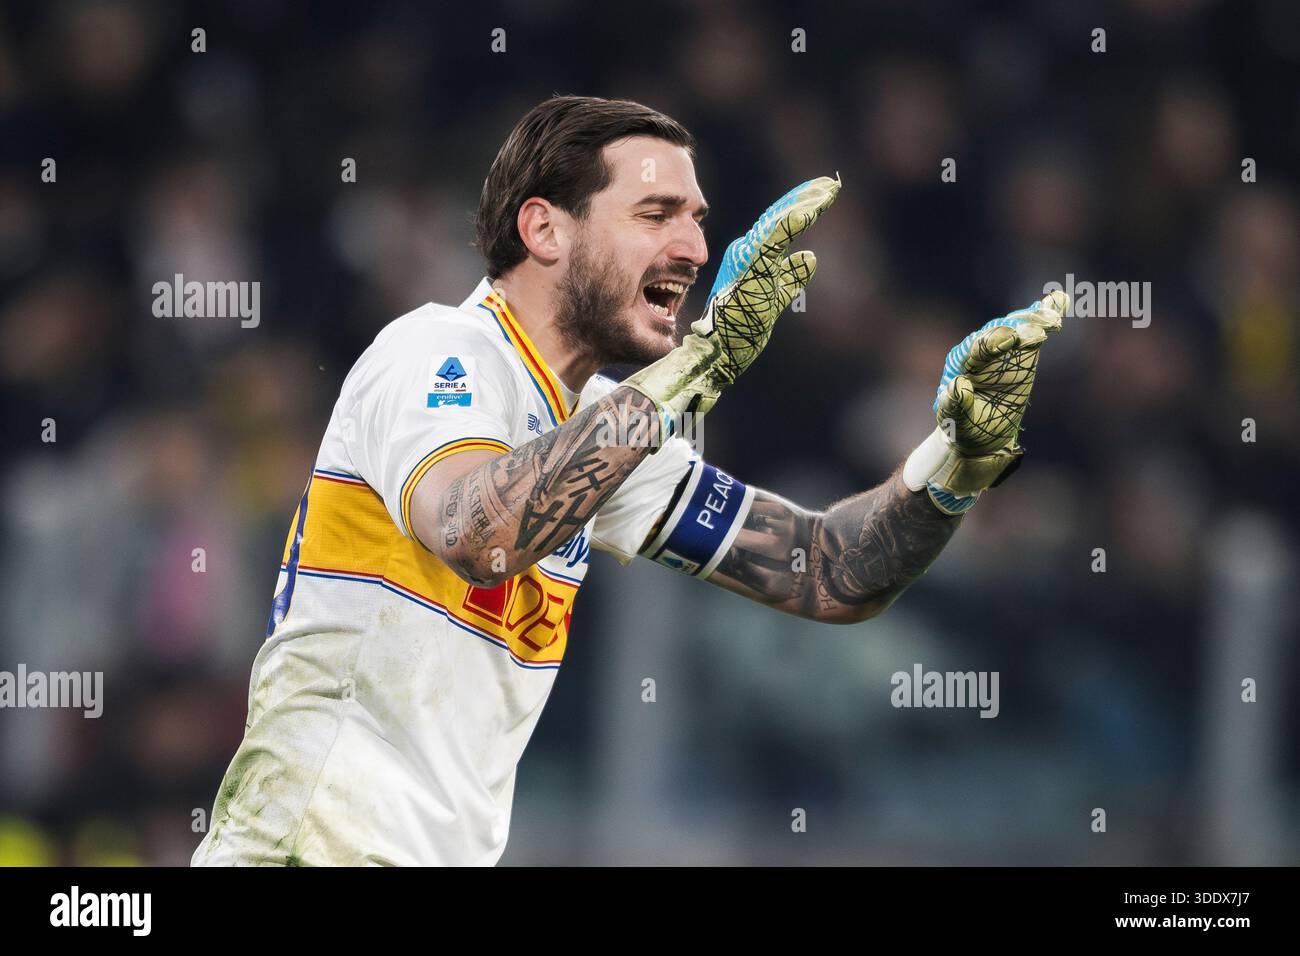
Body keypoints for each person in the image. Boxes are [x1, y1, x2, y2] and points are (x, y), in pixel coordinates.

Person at [193, 94, 1064, 866]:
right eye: (655, 213)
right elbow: (478, 535)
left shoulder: (608, 423)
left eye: (695, 217)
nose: (693, 247)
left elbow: (828, 569)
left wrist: (956, 462)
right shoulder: (438, 353)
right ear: (544, 231)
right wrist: (691, 374)